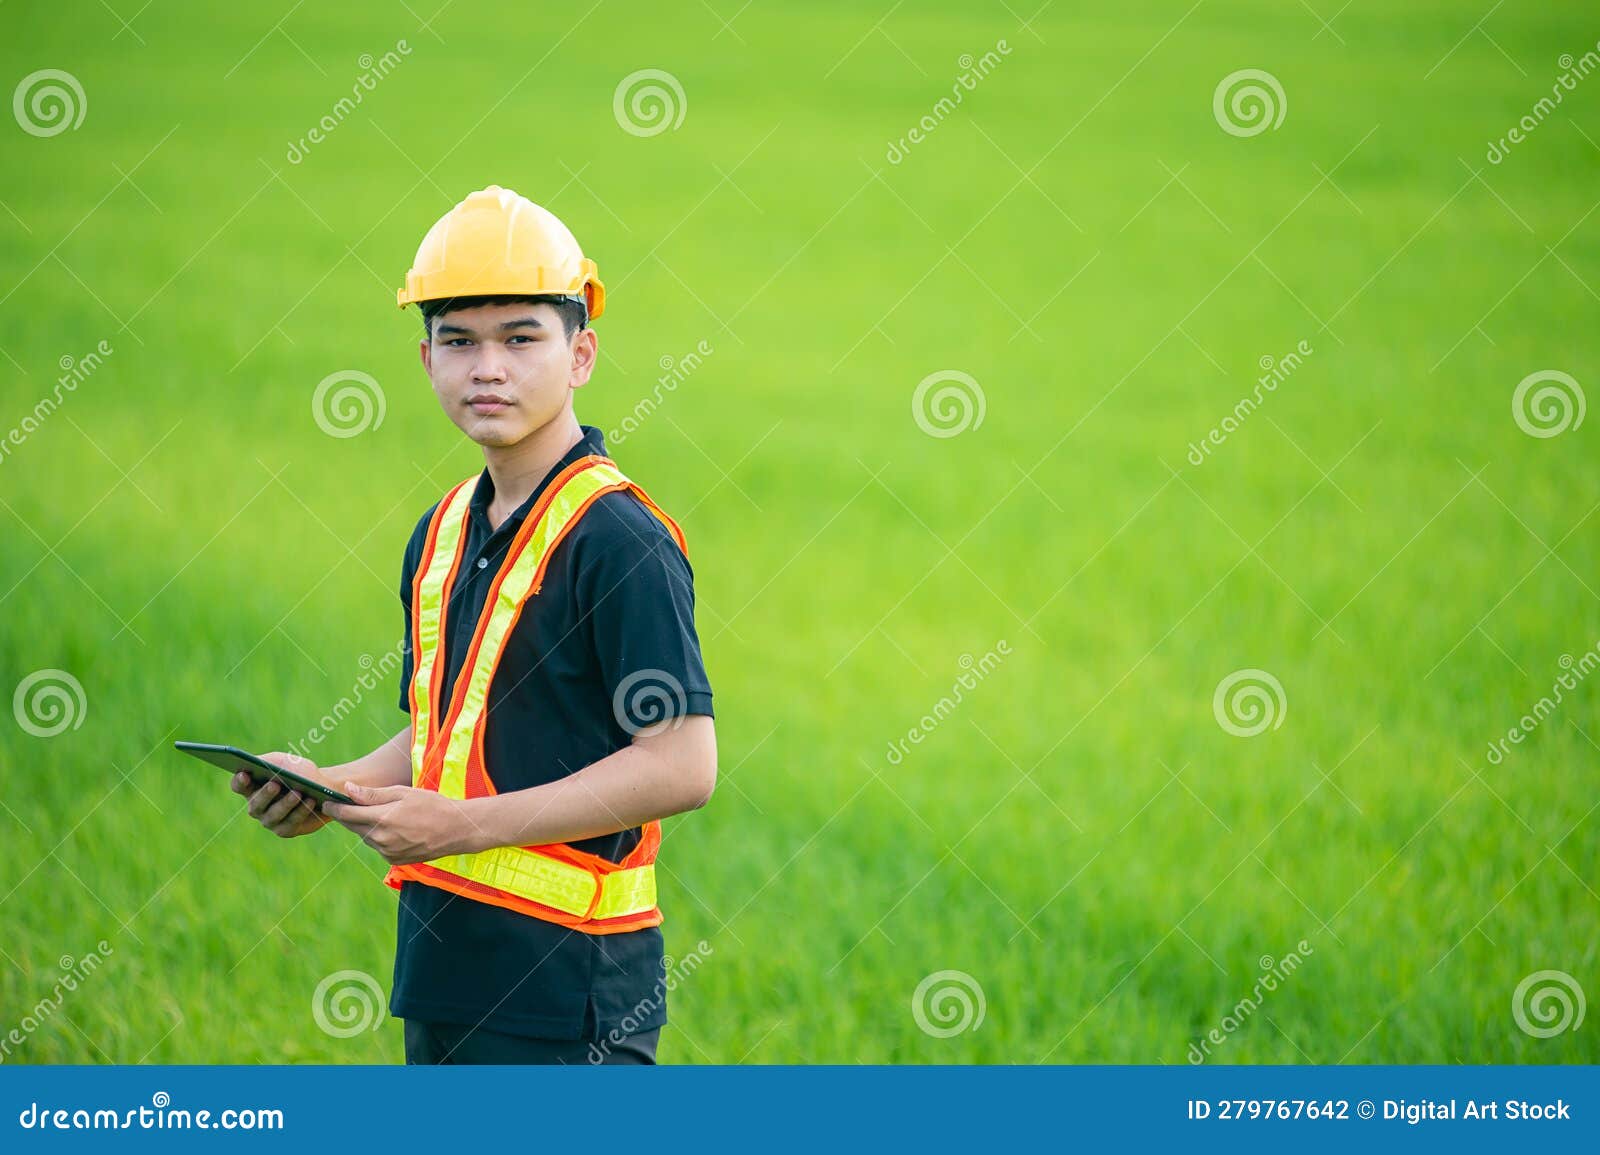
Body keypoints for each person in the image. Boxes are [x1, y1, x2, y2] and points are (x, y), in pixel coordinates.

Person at [231, 185, 716, 1065]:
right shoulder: (446, 530)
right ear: (426, 362)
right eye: (459, 341)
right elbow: (446, 735)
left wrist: (463, 826)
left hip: (575, 999)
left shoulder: (621, 541)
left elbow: (683, 765)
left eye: (521, 337)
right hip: (445, 971)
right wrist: (328, 788)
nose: (487, 367)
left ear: (582, 354)